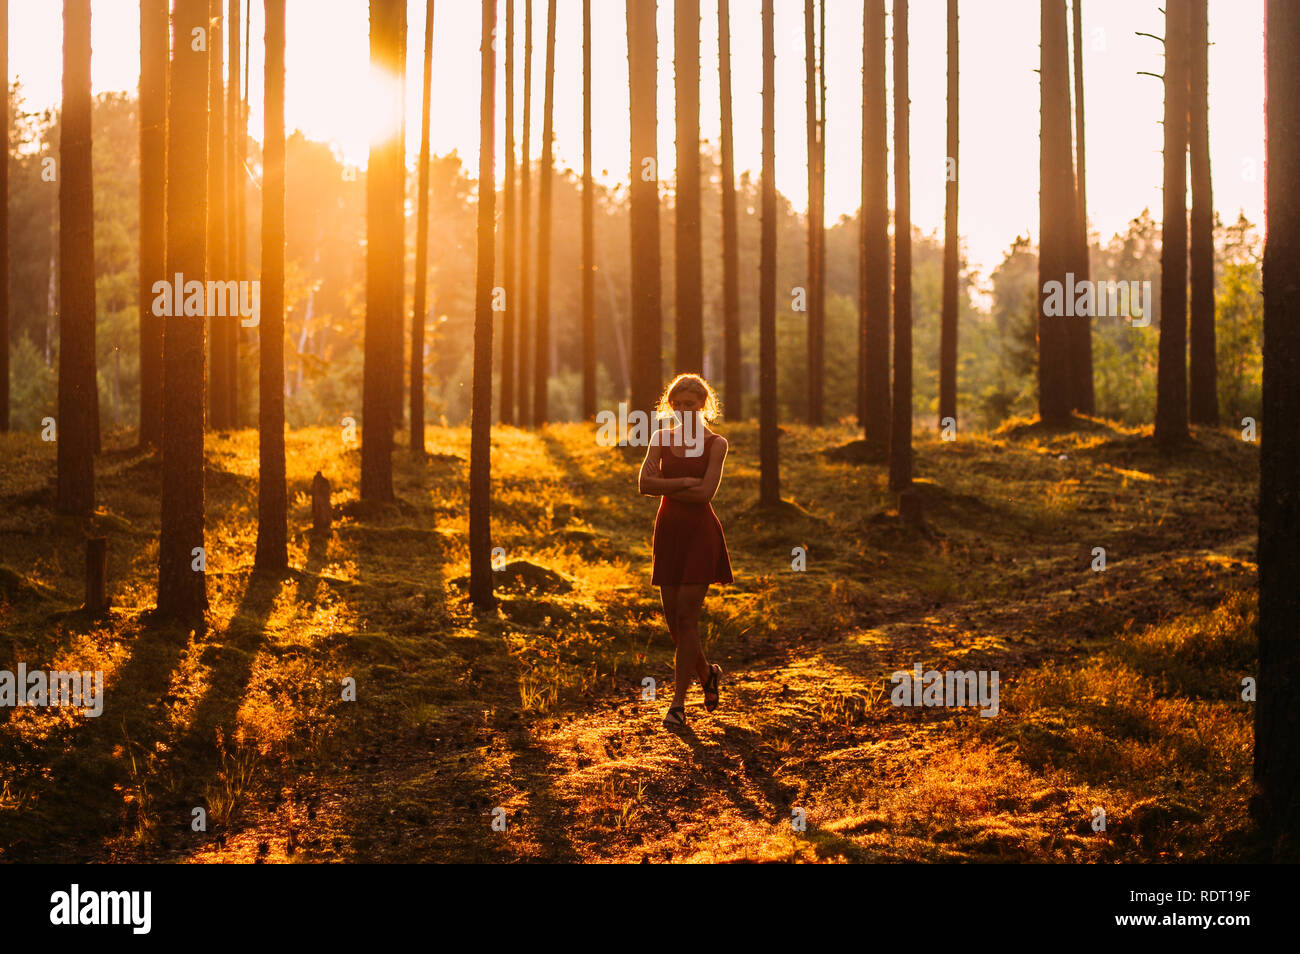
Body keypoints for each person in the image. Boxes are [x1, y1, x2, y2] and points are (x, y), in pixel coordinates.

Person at [636, 373, 733, 728]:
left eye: (691, 405)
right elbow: (644, 484)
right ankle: (707, 673)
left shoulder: (716, 444)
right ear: (671, 406)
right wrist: (681, 482)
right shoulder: (661, 438)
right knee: (675, 625)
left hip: (700, 534)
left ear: (704, 405)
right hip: (669, 532)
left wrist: (667, 487)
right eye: (678, 405)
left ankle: (677, 705)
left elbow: (705, 494)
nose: (684, 411)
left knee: (687, 618)